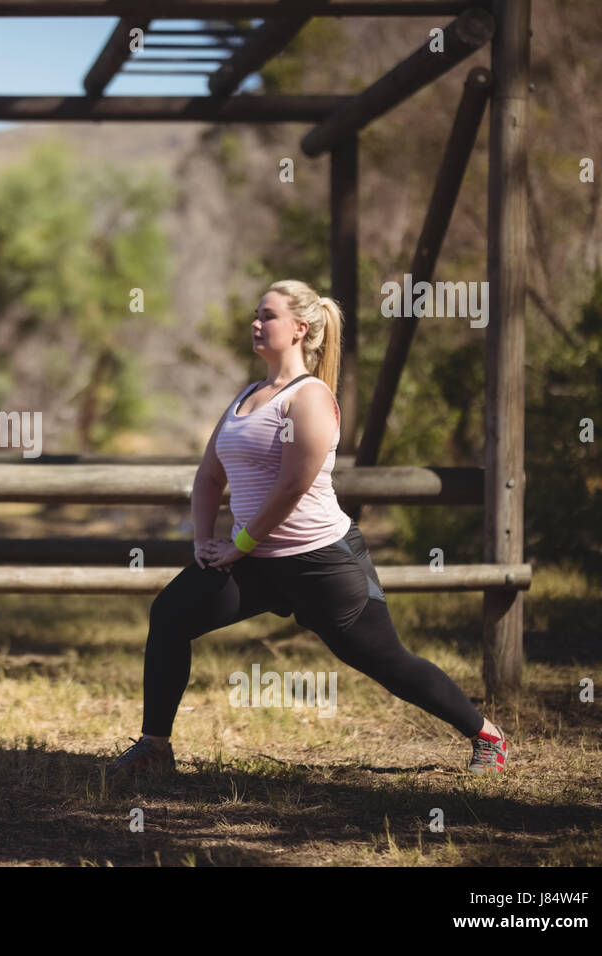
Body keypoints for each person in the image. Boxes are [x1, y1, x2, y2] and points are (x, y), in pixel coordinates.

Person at [109, 279, 508, 778]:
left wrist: (238, 544)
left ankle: (486, 735)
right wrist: (203, 543)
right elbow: (209, 477)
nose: (256, 323)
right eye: (255, 314)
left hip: (322, 562)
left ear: (300, 328)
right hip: (250, 560)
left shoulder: (312, 398)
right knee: (170, 614)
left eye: (268, 316)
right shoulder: (247, 397)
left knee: (387, 663)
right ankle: (155, 748)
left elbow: (293, 486)